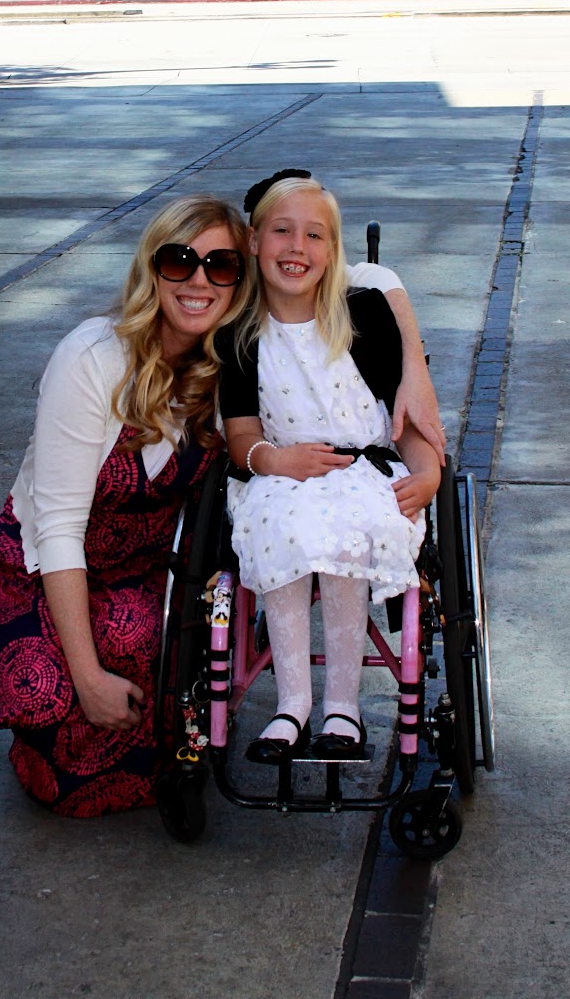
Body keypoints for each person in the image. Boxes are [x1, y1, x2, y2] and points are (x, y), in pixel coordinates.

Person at [0, 195, 249, 817]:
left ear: (241, 281)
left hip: (146, 573)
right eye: (180, 261)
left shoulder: (231, 367)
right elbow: (58, 530)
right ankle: (43, 735)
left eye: (222, 266)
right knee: (49, 698)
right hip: (42, 564)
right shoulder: (94, 356)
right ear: (152, 270)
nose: (199, 281)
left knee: (132, 662)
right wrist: (87, 676)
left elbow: (329, 279)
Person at [217, 172, 443, 763]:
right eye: (282, 232)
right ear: (253, 240)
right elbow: (240, 432)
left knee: (352, 524)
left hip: (363, 473)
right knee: (278, 521)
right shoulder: (240, 332)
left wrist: (430, 473)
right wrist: (273, 460)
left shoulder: (363, 314)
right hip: (282, 474)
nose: (297, 248)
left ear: (333, 249)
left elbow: (409, 419)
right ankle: (290, 705)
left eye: (314, 235)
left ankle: (342, 706)